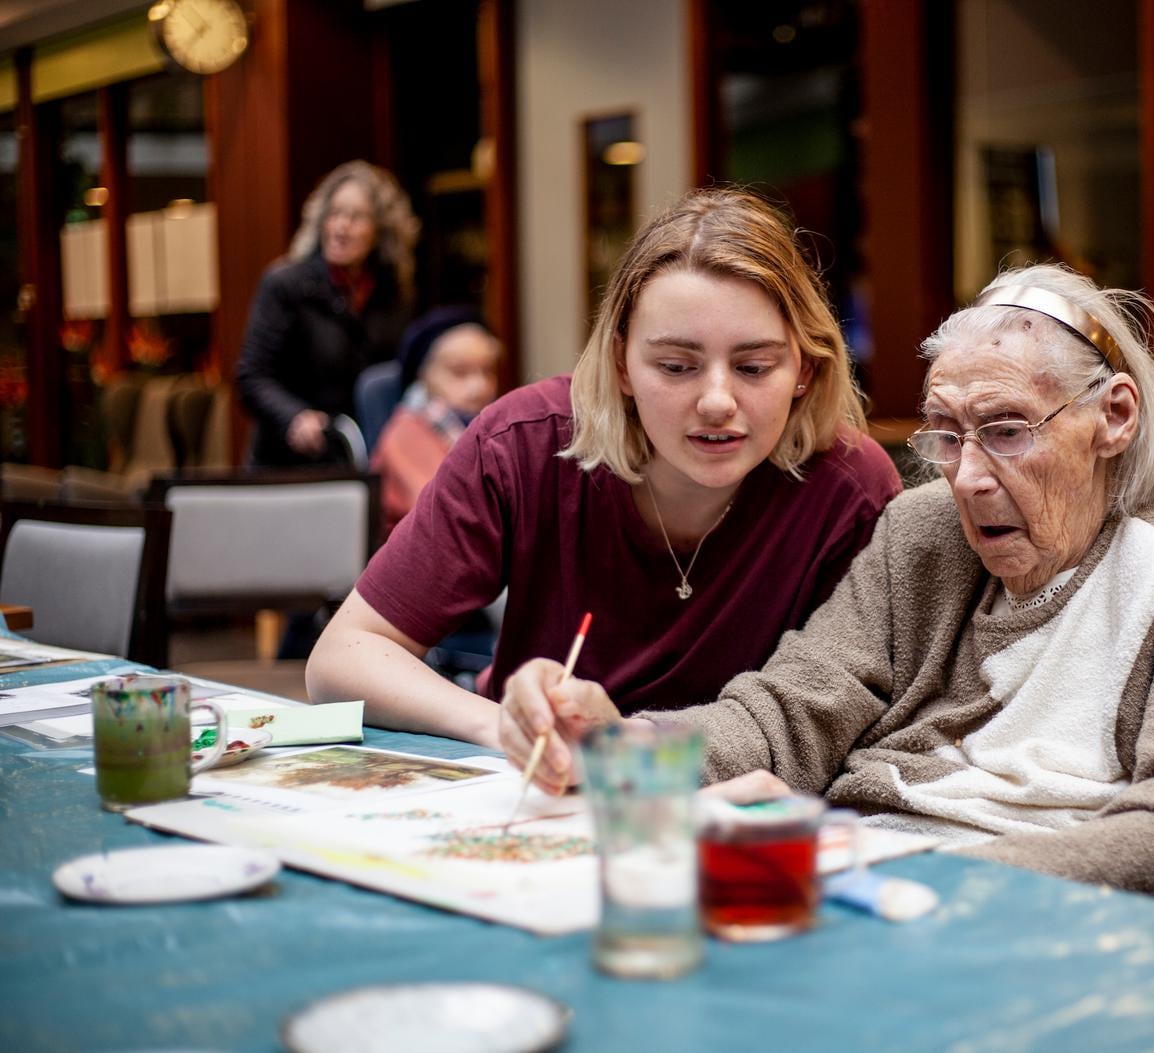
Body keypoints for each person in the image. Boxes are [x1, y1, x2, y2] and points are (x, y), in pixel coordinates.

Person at [501, 264, 1154, 901]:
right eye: (946, 433)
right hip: (856, 885)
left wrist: (936, 875)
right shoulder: (922, 528)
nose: (967, 477)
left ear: (1113, 416)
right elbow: (788, 713)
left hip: (1040, 912)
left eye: (1007, 430)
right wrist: (626, 750)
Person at [306, 187, 903, 749]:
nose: (717, 400)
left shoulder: (852, 489)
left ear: (803, 368)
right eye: (675, 366)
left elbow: (869, 706)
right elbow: (342, 658)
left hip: (734, 805)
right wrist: (504, 728)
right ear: (621, 364)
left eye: (754, 368)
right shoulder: (526, 444)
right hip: (532, 793)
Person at [236, 160, 418, 467]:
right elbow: (251, 377)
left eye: (356, 217)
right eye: (334, 214)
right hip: (287, 462)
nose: (341, 227)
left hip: (360, 459)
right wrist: (294, 416)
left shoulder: (394, 293)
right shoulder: (285, 284)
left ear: (381, 230)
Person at [372, 307, 503, 535]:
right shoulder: (406, 433)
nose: (479, 386)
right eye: (459, 372)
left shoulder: (487, 426)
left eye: (487, 371)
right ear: (423, 375)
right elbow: (444, 520)